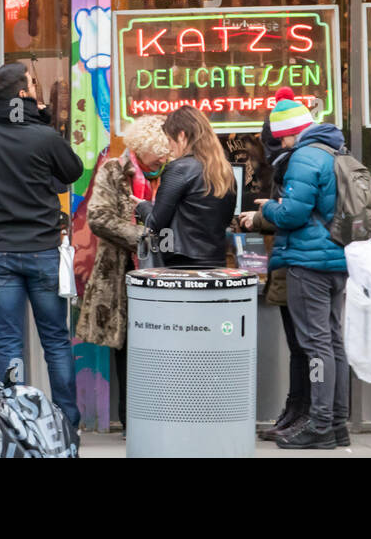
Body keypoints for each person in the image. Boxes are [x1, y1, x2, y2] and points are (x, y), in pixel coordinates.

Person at [0, 62, 84, 430]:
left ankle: (14, 425)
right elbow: (73, 171)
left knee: (9, 344)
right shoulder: (44, 137)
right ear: (23, 94)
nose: (38, 90)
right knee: (55, 341)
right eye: (33, 85)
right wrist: (42, 124)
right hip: (43, 251)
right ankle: (66, 427)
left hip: (1, 254)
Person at [249, 88, 349, 450]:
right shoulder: (335, 150)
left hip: (309, 261)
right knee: (333, 342)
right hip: (336, 258)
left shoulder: (305, 157)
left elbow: (292, 213)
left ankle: (320, 425)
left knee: (315, 344)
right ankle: (337, 423)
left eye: (279, 139)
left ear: (288, 134)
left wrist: (266, 209)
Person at [74, 115, 173, 432]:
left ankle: (161, 412)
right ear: (142, 149)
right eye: (158, 152)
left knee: (162, 345)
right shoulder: (113, 171)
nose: (163, 158)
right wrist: (144, 237)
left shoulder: (171, 174)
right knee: (129, 347)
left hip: (163, 271)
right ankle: (133, 420)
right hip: (122, 272)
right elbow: (99, 218)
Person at [238, 109, 309, 442]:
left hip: (299, 258)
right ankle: (296, 410)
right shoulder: (296, 162)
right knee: (301, 345)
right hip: (290, 257)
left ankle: (305, 413)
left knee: (305, 345)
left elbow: (294, 213)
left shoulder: (297, 164)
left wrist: (262, 213)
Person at [135, 105, 236, 267]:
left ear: (181, 136)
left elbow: (156, 223)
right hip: (216, 262)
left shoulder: (179, 169)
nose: (170, 147)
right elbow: (227, 219)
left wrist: (143, 206)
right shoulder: (225, 170)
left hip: (182, 265)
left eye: (169, 140)